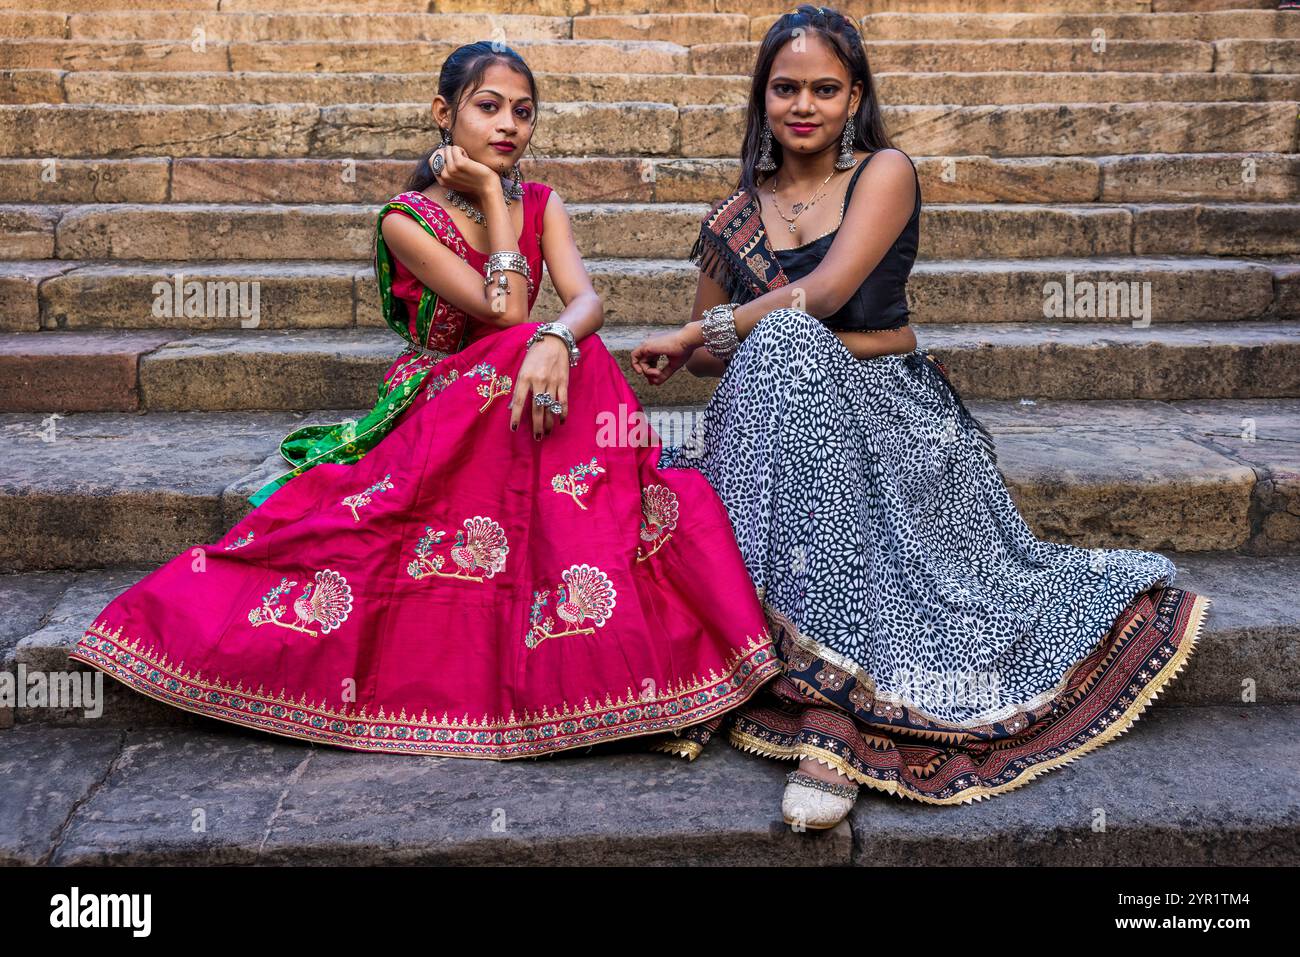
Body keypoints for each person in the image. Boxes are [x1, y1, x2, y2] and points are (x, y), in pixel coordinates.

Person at [68, 41, 782, 759]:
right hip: (450, 393)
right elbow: (501, 311)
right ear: (445, 114)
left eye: (523, 113)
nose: (509, 126)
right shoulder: (405, 221)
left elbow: (587, 298)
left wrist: (558, 338)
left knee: (576, 348)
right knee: (523, 349)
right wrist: (488, 204)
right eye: (489, 107)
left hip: (531, 383)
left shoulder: (543, 200)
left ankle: (581, 561)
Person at [630, 5, 1212, 826]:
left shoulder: (884, 172)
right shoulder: (733, 217)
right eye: (786, 88)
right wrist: (687, 350)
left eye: (825, 89)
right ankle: (800, 681)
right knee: (779, 355)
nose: (804, 105)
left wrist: (703, 330)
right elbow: (717, 353)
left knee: (797, 334)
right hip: (777, 414)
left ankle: (833, 714)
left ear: (855, 95)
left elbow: (825, 297)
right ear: (761, 99)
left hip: (886, 409)